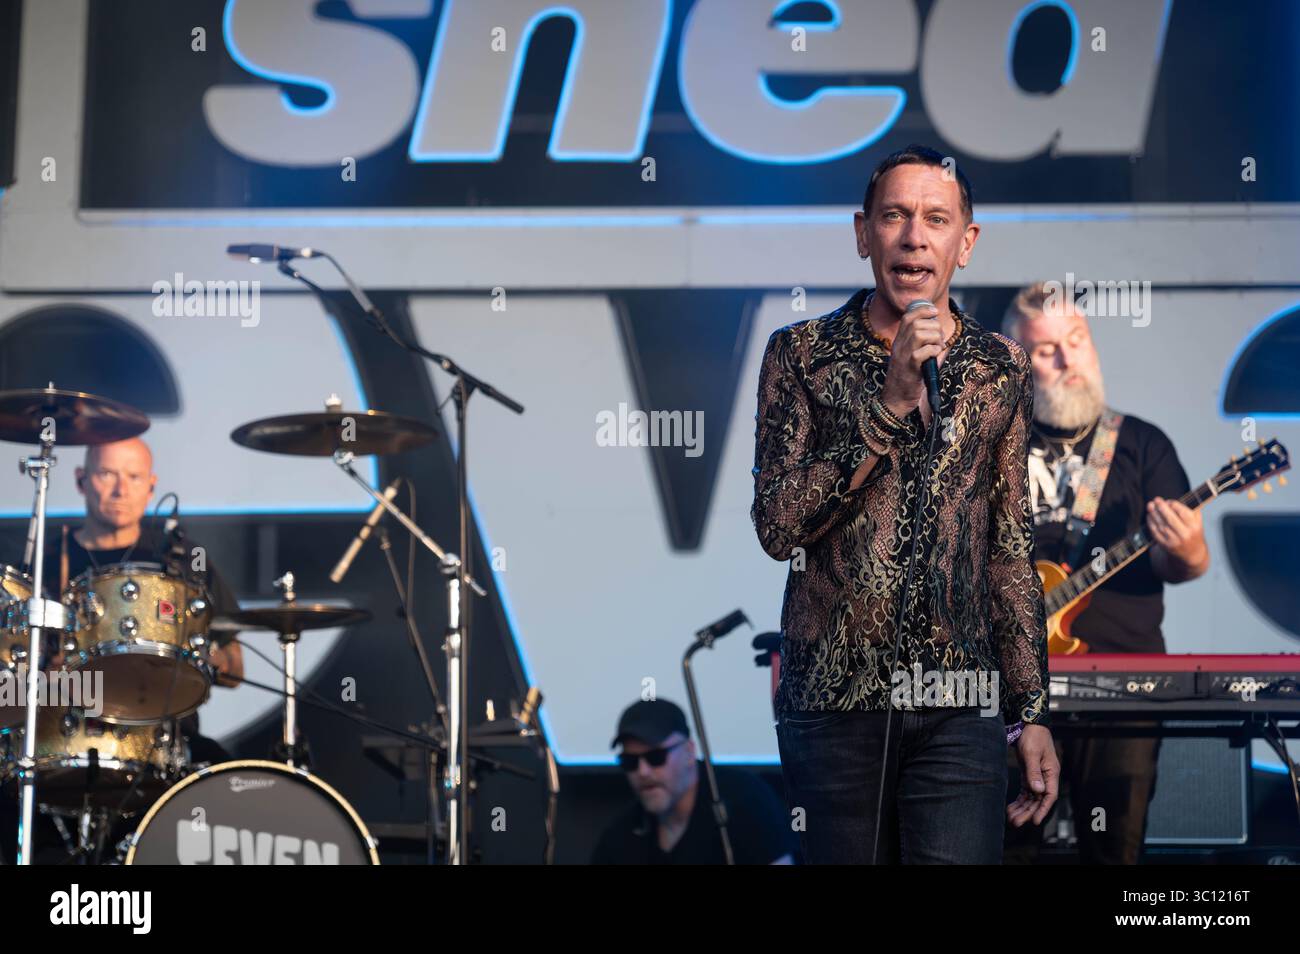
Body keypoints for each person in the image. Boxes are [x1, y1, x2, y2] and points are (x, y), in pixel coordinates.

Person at [750, 144, 1057, 864]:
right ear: (864, 234)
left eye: (935, 218)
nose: (914, 235)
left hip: (960, 705)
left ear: (966, 242)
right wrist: (888, 407)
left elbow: (1010, 551)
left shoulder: (998, 367)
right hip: (834, 701)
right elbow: (777, 524)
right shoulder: (801, 353)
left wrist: (1031, 711)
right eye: (893, 216)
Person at [1001, 282, 1209, 864]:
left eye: (1078, 341)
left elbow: (1186, 566)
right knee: (1004, 847)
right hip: (1009, 686)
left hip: (1122, 678)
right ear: (1014, 359)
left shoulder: (1141, 445)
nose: (1069, 360)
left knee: (1115, 852)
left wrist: (1184, 545)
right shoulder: (992, 442)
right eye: (1047, 350)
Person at [591, 700, 795, 865]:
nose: (642, 772)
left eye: (656, 757)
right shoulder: (621, 835)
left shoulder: (746, 800)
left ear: (689, 752)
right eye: (630, 762)